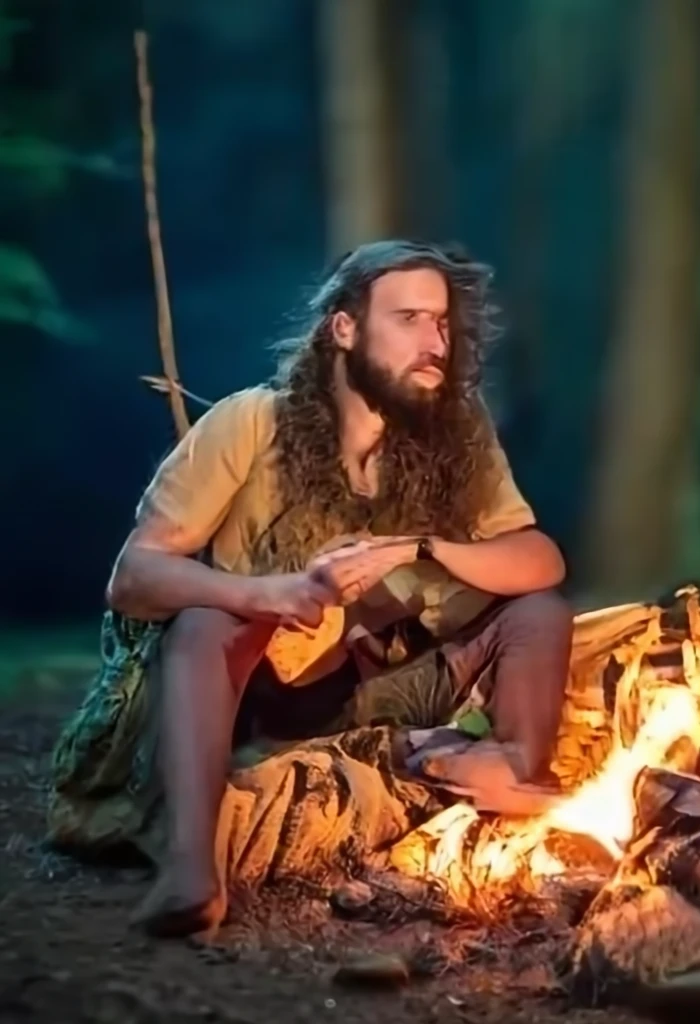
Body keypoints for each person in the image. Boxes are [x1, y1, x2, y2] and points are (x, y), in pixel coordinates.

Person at [48, 239, 573, 937]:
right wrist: (269, 594)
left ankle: (515, 767)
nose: (435, 344)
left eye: (443, 323)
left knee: (536, 611)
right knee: (206, 621)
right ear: (344, 329)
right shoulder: (250, 422)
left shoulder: (456, 436)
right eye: (409, 319)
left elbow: (540, 558)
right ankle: (192, 872)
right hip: (249, 683)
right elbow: (135, 577)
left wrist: (420, 550)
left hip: (371, 685)